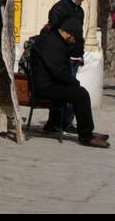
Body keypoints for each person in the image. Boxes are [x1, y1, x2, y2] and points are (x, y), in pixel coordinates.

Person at [30, 18, 109, 148]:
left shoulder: (55, 40)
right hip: (44, 87)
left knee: (75, 92)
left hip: (51, 83)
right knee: (81, 94)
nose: (73, 40)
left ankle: (55, 125)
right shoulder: (50, 43)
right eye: (73, 37)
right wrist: (74, 83)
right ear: (67, 33)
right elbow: (58, 71)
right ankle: (86, 136)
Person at [44, 0, 87, 133]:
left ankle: (63, 122)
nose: (83, 0)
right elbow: (53, 29)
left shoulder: (79, 10)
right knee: (66, 90)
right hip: (62, 56)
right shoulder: (59, 8)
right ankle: (57, 122)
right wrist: (66, 38)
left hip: (75, 55)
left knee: (70, 90)